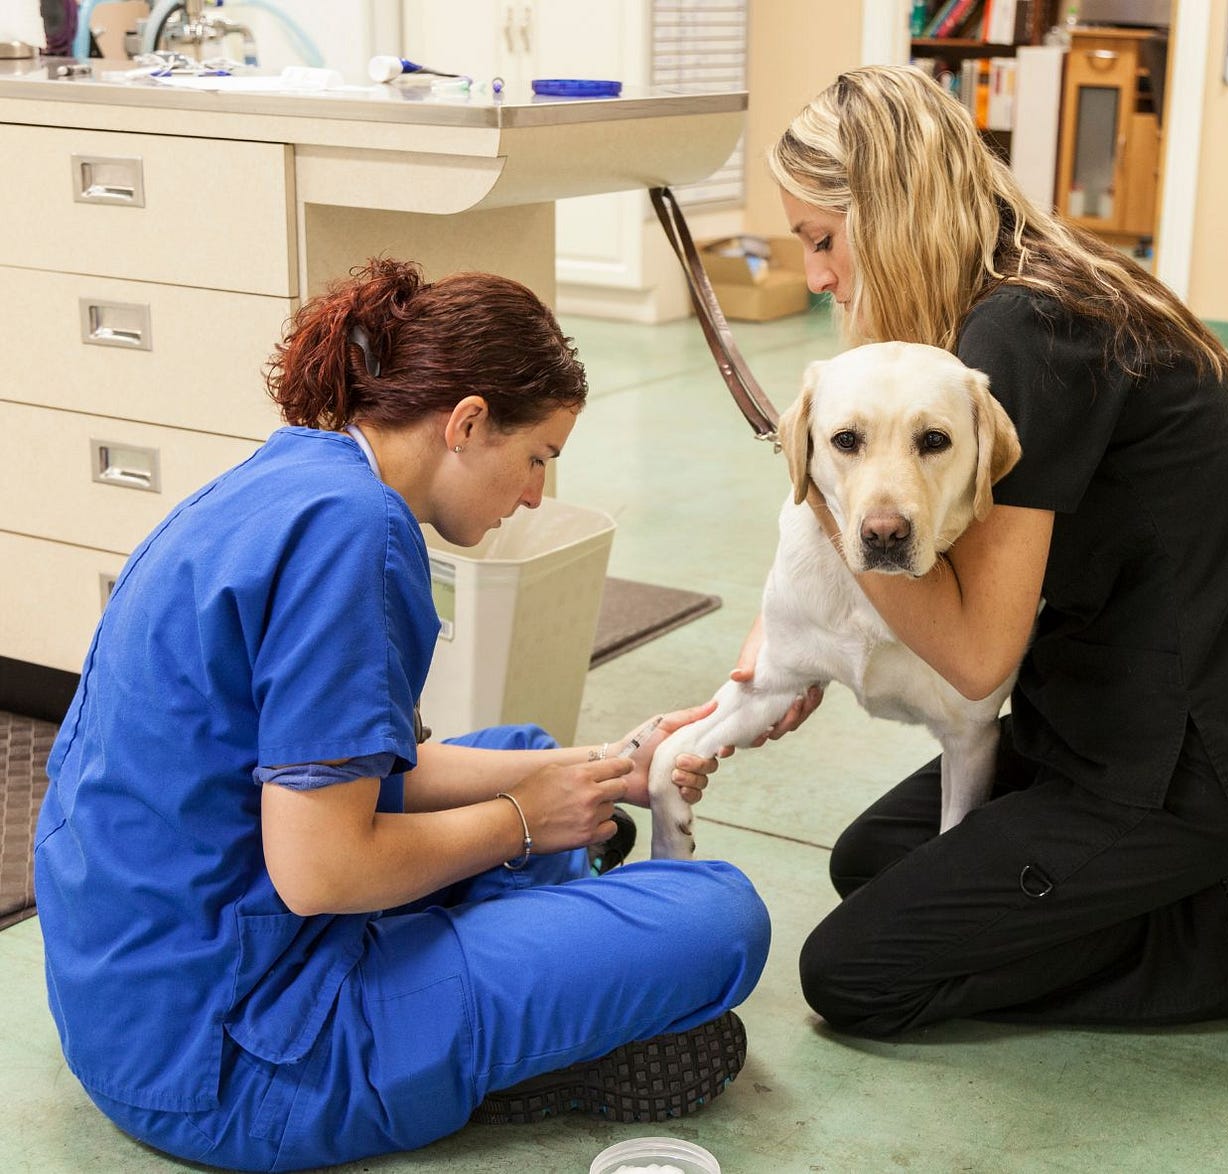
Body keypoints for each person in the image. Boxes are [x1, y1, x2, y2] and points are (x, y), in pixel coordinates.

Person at [34, 258, 770, 1172]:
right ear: (465, 424)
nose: (536, 493)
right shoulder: (361, 532)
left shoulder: (294, 475)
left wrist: (609, 763)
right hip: (240, 1062)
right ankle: (499, 1056)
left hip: (128, 1003)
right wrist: (518, 824)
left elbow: (354, 772)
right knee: (721, 916)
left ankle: (519, 952)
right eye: (536, 457)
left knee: (531, 752)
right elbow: (320, 869)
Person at [747, 65, 1228, 1036]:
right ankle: (1173, 895)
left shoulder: (1019, 336)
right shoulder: (1027, 278)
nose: (818, 275)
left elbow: (974, 654)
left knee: (853, 976)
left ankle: (1196, 943)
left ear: (890, 211)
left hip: (1184, 764)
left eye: (821, 240)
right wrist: (790, 649)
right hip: (1095, 718)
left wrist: (826, 480)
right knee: (868, 859)